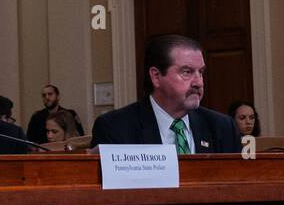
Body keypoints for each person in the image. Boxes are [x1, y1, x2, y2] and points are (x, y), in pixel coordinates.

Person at [90, 34, 238, 153]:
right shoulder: (115, 127)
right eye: (187, 72)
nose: (198, 82)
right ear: (156, 76)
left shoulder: (222, 127)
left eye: (201, 72)